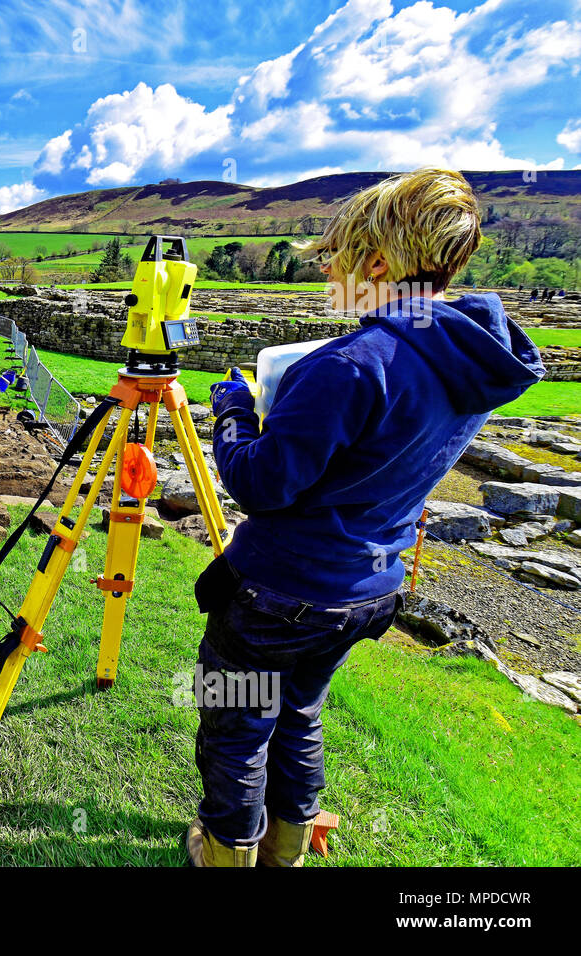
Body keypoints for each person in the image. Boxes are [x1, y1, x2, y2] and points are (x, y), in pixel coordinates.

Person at [188, 168, 543, 867]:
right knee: (299, 712)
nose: (326, 266)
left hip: (280, 593)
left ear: (378, 263)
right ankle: (284, 852)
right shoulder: (466, 361)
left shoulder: (352, 363)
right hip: (366, 591)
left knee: (236, 725)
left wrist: (233, 411)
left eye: (338, 253)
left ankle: (227, 853)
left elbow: (260, 484)